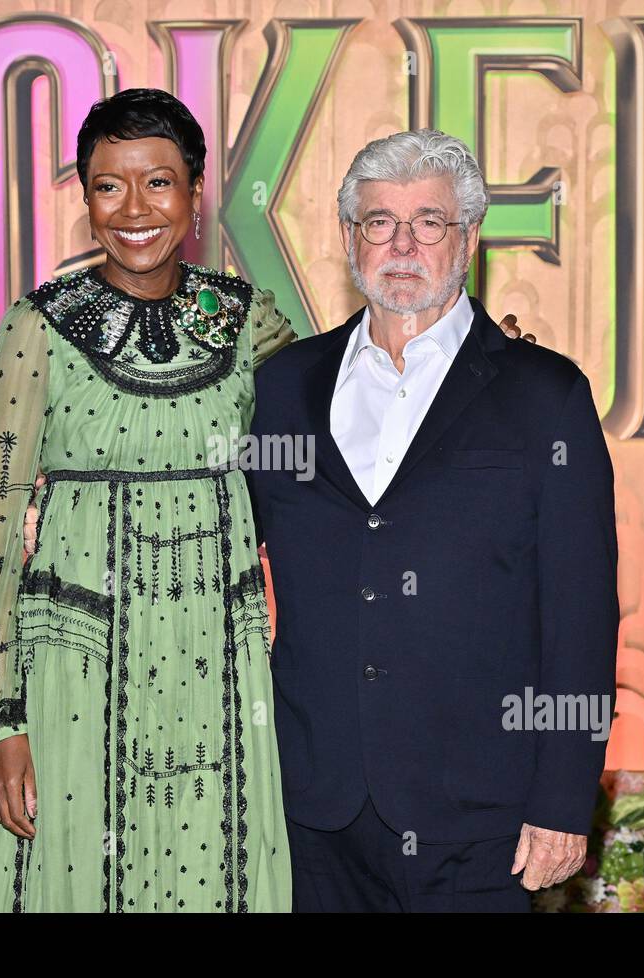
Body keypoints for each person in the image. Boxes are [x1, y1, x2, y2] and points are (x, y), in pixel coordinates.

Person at [244, 129, 620, 912]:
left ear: (470, 237)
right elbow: (217, 550)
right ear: (350, 238)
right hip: (312, 809)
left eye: (429, 221)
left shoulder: (545, 394)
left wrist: (561, 800)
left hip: (482, 817)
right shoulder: (284, 386)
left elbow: (582, 614)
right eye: (379, 221)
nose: (403, 244)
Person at [0, 88, 296, 912]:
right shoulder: (39, 326)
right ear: (85, 197)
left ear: (196, 191)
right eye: (110, 185)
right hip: (78, 660)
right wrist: (1, 721)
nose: (136, 208)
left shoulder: (246, 322)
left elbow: (347, 420)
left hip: (217, 657)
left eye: (159, 182)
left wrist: (473, 361)